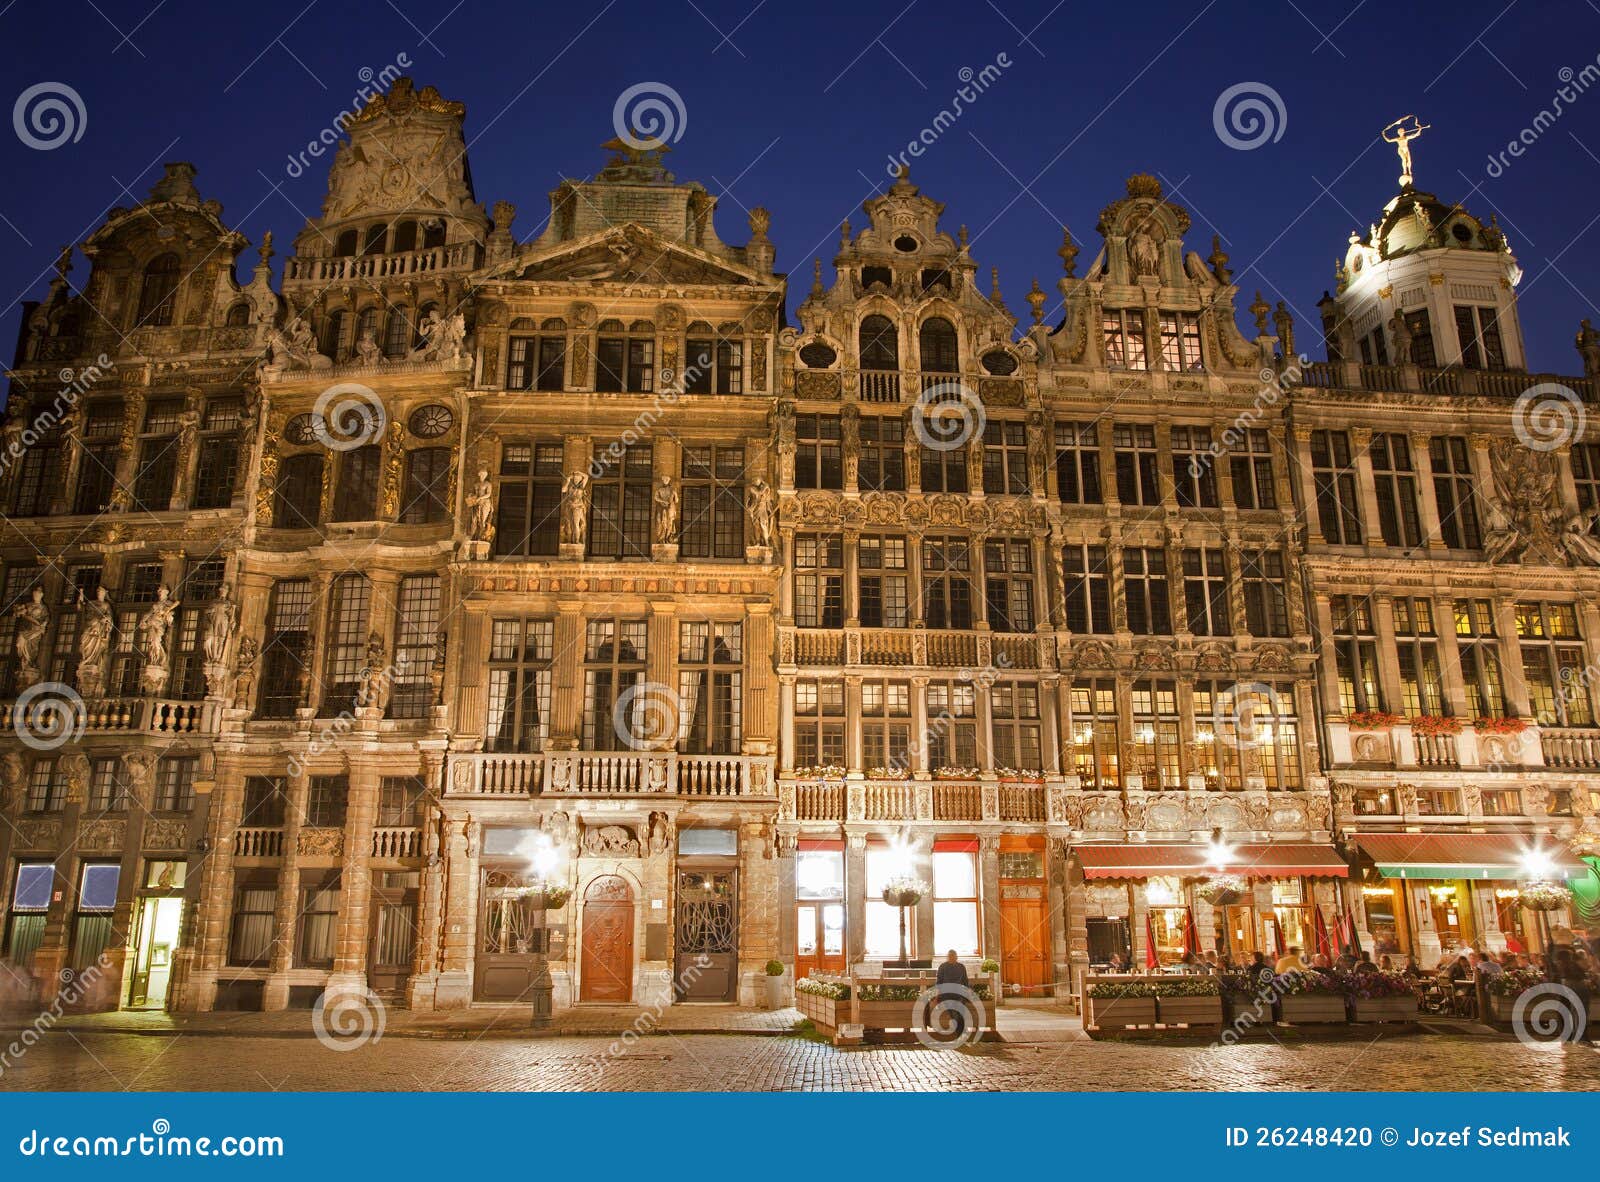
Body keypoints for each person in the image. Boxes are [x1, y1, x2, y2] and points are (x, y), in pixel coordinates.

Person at [935, 949, 971, 1038]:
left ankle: (961, 1032)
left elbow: (965, 981)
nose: (951, 958)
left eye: (953, 956)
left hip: (959, 994)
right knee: (954, 1010)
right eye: (950, 956)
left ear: (956, 957)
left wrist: (967, 994)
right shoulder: (943, 967)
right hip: (946, 994)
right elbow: (939, 983)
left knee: (960, 1010)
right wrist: (937, 996)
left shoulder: (961, 967)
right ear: (947, 957)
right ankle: (961, 1032)